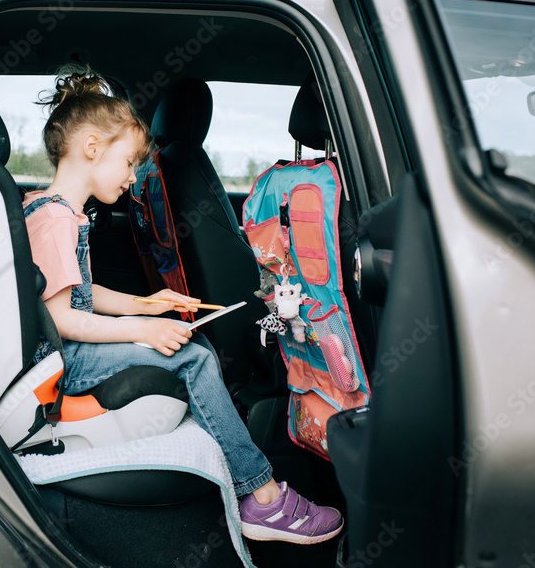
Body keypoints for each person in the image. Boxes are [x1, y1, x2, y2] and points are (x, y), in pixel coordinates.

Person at [21, 67, 344, 544]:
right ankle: (262, 497)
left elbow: (81, 293)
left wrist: (148, 304)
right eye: (129, 163)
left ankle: (252, 480)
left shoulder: (56, 210)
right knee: (193, 359)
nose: (134, 179)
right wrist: (141, 331)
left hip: (65, 349)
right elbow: (63, 318)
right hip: (62, 361)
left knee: (191, 350)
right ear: (92, 149)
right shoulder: (55, 221)